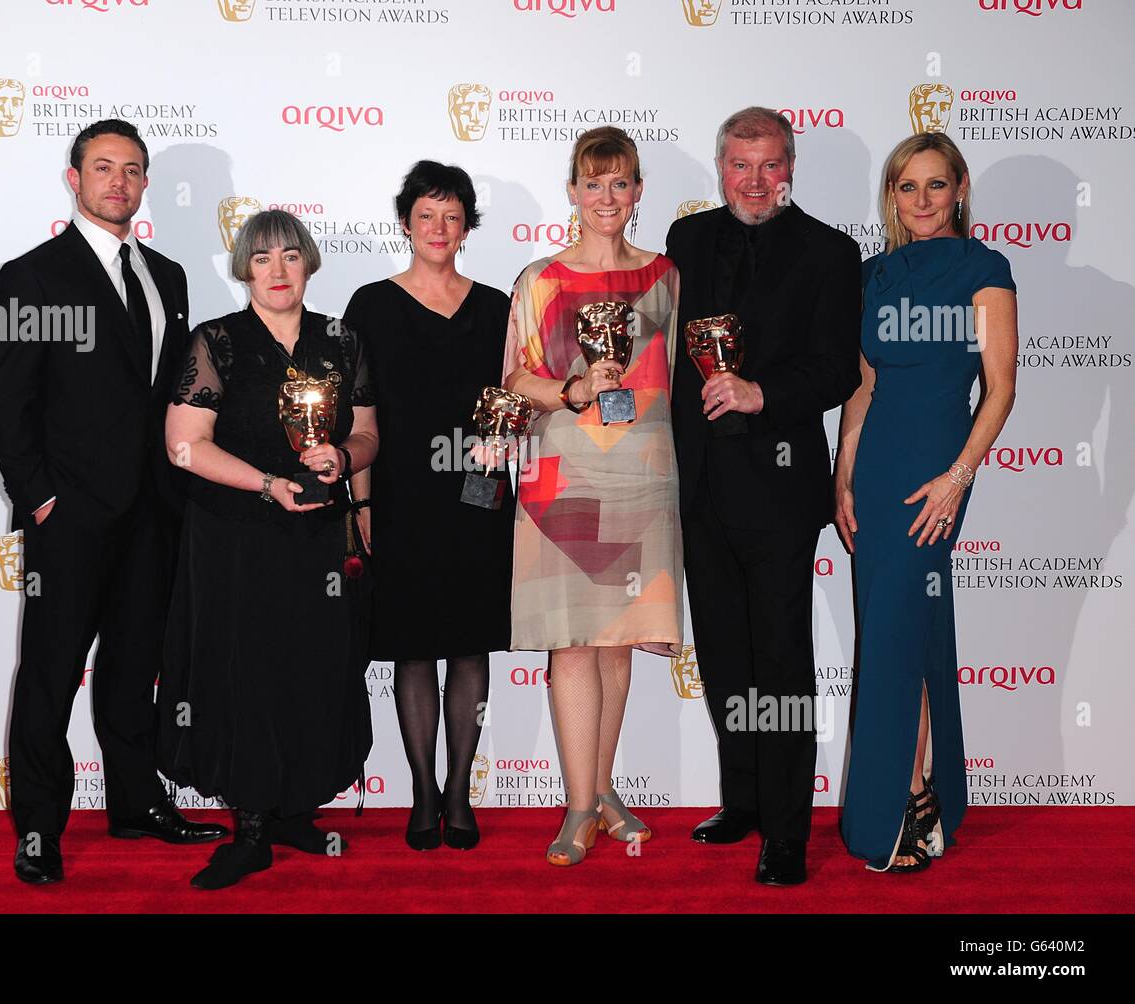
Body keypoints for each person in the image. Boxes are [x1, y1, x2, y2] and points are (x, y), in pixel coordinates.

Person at [0, 119, 226, 886]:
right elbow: (2, 401)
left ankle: (135, 801)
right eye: (103, 167)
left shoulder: (169, 275)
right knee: (52, 671)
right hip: (72, 515)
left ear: (146, 184)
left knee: (135, 667)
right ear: (74, 178)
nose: (118, 182)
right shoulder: (33, 276)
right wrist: (41, 498)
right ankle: (39, 828)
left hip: (155, 512)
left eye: (132, 170)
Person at [667, 106, 861, 885]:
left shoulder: (831, 251)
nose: (755, 180)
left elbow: (838, 370)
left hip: (779, 492)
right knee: (723, 653)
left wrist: (761, 393)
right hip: (700, 485)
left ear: (792, 167)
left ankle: (787, 833)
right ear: (722, 168)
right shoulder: (687, 240)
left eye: (770, 164)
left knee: (780, 663)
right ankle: (743, 798)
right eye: (741, 165)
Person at [158, 210, 377, 890]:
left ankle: (292, 810)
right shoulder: (217, 342)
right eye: (262, 259)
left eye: (289, 256)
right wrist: (268, 483)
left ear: (309, 262)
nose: (277, 270)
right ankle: (250, 827)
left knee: (314, 665)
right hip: (236, 538)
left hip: (318, 540)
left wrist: (342, 456)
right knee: (244, 672)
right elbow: (183, 444)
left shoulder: (340, 339)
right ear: (244, 268)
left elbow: (369, 432)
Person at [837, 133, 1017, 873]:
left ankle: (902, 800)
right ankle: (920, 790)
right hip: (877, 470)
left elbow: (1000, 387)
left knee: (894, 637)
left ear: (960, 188)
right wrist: (842, 475)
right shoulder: (872, 274)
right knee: (899, 629)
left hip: (938, 474)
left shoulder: (985, 269)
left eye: (935, 186)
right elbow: (864, 385)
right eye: (908, 188)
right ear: (892, 195)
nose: (922, 201)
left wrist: (957, 478)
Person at [504, 127, 684, 867]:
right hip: (561, 475)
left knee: (617, 648)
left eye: (620, 183)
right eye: (592, 182)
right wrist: (573, 389)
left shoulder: (666, 277)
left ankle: (605, 790)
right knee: (573, 646)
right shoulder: (538, 279)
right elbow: (515, 381)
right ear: (572, 191)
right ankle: (579, 807)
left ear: (637, 192)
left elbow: (677, 377)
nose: (606, 197)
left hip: (644, 474)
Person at [344, 161, 512, 852]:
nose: (439, 228)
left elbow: (516, 397)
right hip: (401, 497)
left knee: (470, 646)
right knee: (412, 650)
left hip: (478, 499)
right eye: (426, 215)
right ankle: (420, 792)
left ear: (467, 224)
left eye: (452, 215)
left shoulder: (501, 305)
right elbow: (356, 415)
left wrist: (507, 443)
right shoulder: (370, 305)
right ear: (405, 222)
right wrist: (362, 507)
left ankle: (460, 792)